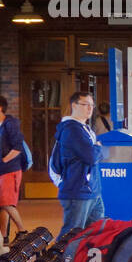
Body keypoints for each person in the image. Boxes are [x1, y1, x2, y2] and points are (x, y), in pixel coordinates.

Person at [54, 91, 105, 238]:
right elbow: (91, 157)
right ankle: (59, 260)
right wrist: (98, 147)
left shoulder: (85, 129)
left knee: (96, 233)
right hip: (77, 190)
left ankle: (84, 260)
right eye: (85, 105)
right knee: (70, 235)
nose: (89, 109)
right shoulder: (72, 130)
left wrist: (95, 148)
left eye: (91, 105)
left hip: (92, 190)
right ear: (74, 105)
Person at [0, 94, 27, 243]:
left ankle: (22, 231)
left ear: (0, 108)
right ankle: (4, 237)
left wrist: (3, 161)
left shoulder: (10, 123)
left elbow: (18, 147)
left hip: (10, 170)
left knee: (6, 203)